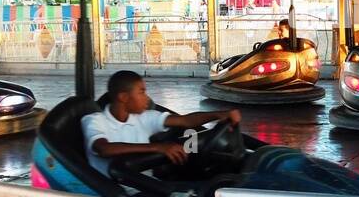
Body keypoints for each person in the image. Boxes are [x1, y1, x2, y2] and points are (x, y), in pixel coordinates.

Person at [82, 70, 242, 178]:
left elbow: (185, 121)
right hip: (113, 194)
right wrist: (158, 148)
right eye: (142, 92)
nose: (147, 98)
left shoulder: (143, 117)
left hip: (146, 186)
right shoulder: (95, 120)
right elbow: (103, 148)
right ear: (123, 97)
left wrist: (219, 114)